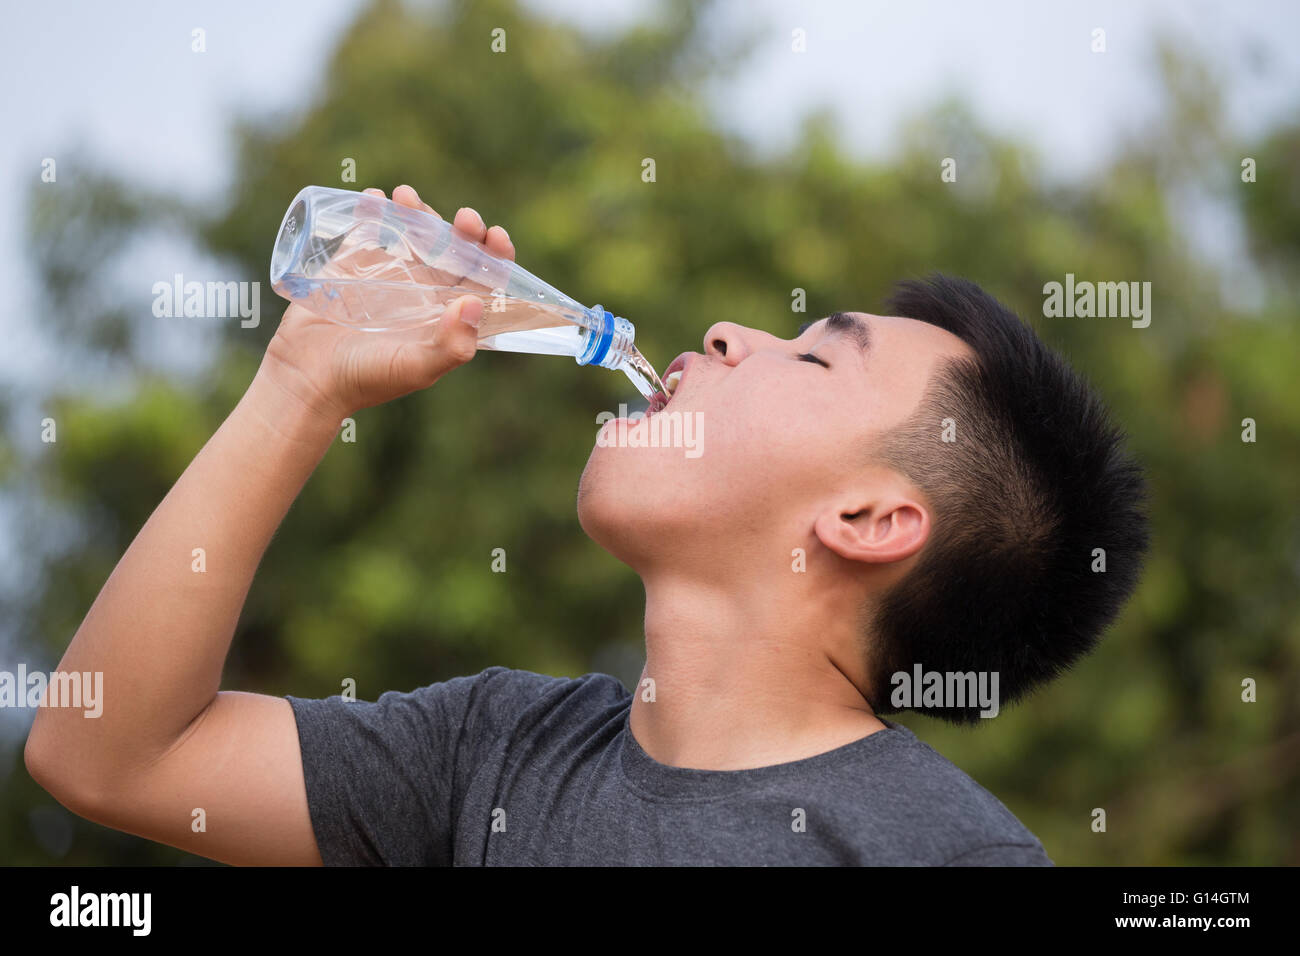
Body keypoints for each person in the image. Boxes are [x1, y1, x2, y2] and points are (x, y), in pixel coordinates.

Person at [25, 183, 1149, 866]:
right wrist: (298, 385)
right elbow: (107, 754)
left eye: (809, 352)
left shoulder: (944, 852)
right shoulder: (496, 752)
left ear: (867, 516)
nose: (725, 330)